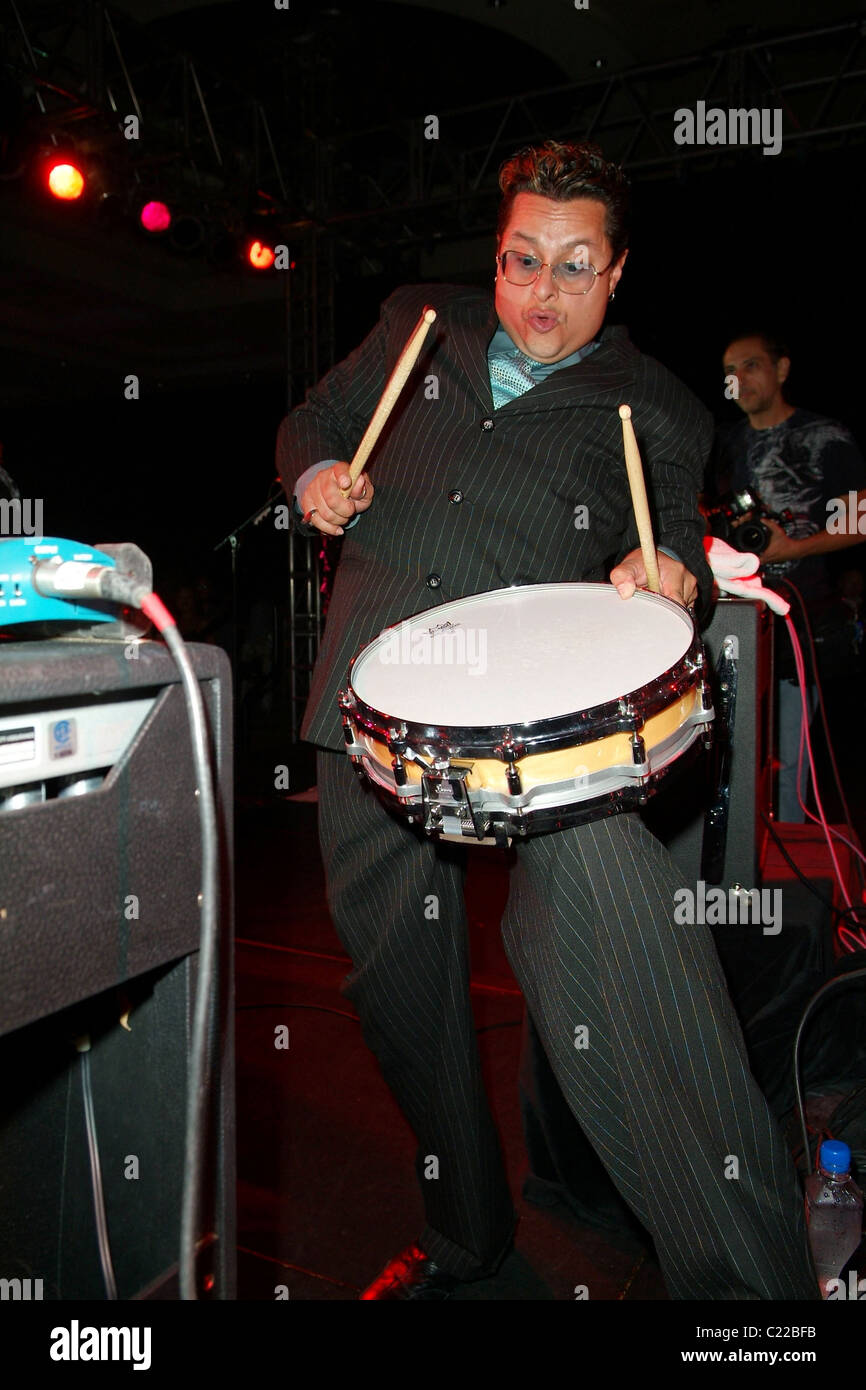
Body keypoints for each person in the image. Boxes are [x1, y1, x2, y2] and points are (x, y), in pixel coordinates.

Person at [276, 140, 818, 1300]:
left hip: (543, 744)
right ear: (496, 255)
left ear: (616, 272)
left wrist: (670, 564)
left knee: (627, 974)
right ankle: (467, 1236)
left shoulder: (652, 403)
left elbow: (675, 528)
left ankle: (749, 1292)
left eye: (574, 268)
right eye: (523, 261)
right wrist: (314, 474)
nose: (540, 292)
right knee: (401, 996)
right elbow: (309, 418)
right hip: (368, 720)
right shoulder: (418, 325)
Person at [715, 333, 866, 821]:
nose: (738, 379)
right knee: (737, 762)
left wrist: (793, 547)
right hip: (739, 619)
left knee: (790, 762)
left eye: (751, 365)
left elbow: (857, 521)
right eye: (730, 371)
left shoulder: (826, 436)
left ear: (782, 369)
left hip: (804, 619)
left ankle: (782, 883)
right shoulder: (726, 444)